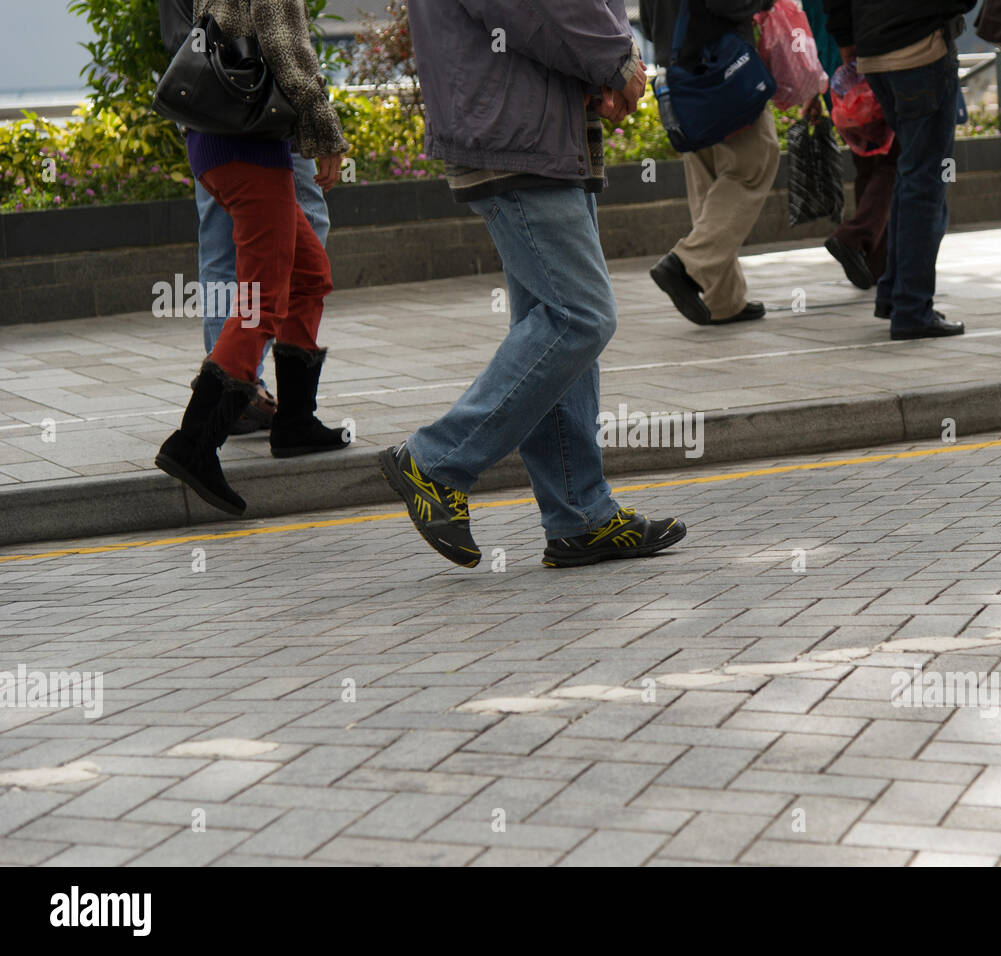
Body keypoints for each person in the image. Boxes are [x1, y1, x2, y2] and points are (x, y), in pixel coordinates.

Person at [383, 0, 687, 570]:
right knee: (580, 317)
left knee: (552, 325)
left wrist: (608, 61)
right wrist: (615, 59)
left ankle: (580, 517)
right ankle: (435, 461)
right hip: (517, 134)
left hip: (526, 130)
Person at [154, 0, 351, 515]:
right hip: (250, 147)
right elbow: (287, 49)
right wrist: (326, 131)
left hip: (221, 140)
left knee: (308, 275)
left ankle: (294, 422)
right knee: (261, 302)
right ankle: (193, 445)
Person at [642, 0, 780, 326]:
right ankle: (686, 264)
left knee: (706, 179)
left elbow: (647, 25)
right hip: (720, 67)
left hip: (679, 74)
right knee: (754, 164)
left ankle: (723, 299)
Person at [851, 0, 975, 340]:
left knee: (911, 175)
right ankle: (912, 308)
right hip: (921, 46)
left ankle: (894, 295)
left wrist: (847, 38)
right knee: (925, 183)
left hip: (873, 51)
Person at [822, 0, 898, 291]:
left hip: (841, 79)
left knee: (868, 164)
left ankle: (873, 263)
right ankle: (854, 238)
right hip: (869, 63)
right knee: (895, 159)